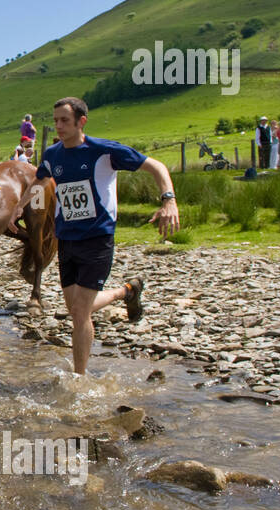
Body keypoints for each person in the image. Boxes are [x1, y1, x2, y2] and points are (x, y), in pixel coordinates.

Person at [37, 97, 179, 376]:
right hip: (66, 239)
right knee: (76, 308)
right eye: (55, 120)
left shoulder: (104, 151)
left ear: (81, 121)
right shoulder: (52, 155)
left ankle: (79, 378)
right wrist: (29, 211)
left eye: (65, 120)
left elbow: (157, 167)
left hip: (97, 238)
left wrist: (168, 200)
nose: (59, 125)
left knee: (79, 313)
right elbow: (40, 181)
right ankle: (125, 291)